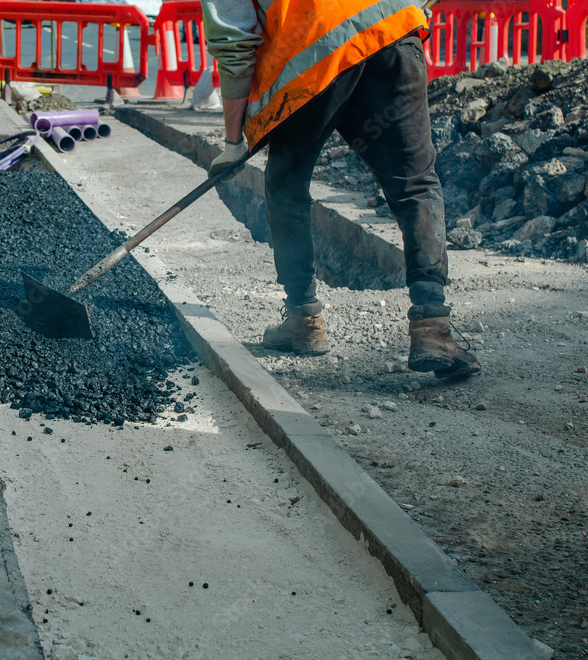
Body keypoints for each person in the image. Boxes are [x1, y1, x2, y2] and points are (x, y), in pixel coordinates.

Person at [202, 0, 480, 378]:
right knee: (414, 183)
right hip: (390, 34)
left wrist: (234, 142)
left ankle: (303, 319)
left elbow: (234, 40)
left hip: (308, 58)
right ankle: (433, 327)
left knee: (287, 185)